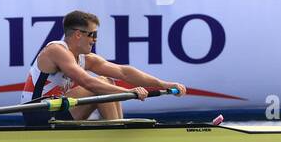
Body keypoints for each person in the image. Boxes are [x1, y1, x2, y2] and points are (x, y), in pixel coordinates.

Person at [19, 10, 186, 125]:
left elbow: (124, 72)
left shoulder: (85, 59)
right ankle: (117, 133)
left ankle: (117, 127)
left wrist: (164, 84)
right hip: (37, 113)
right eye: (93, 34)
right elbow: (88, 83)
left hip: (57, 110)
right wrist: (129, 93)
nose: (95, 40)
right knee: (99, 84)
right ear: (78, 34)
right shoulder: (56, 50)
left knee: (107, 80)